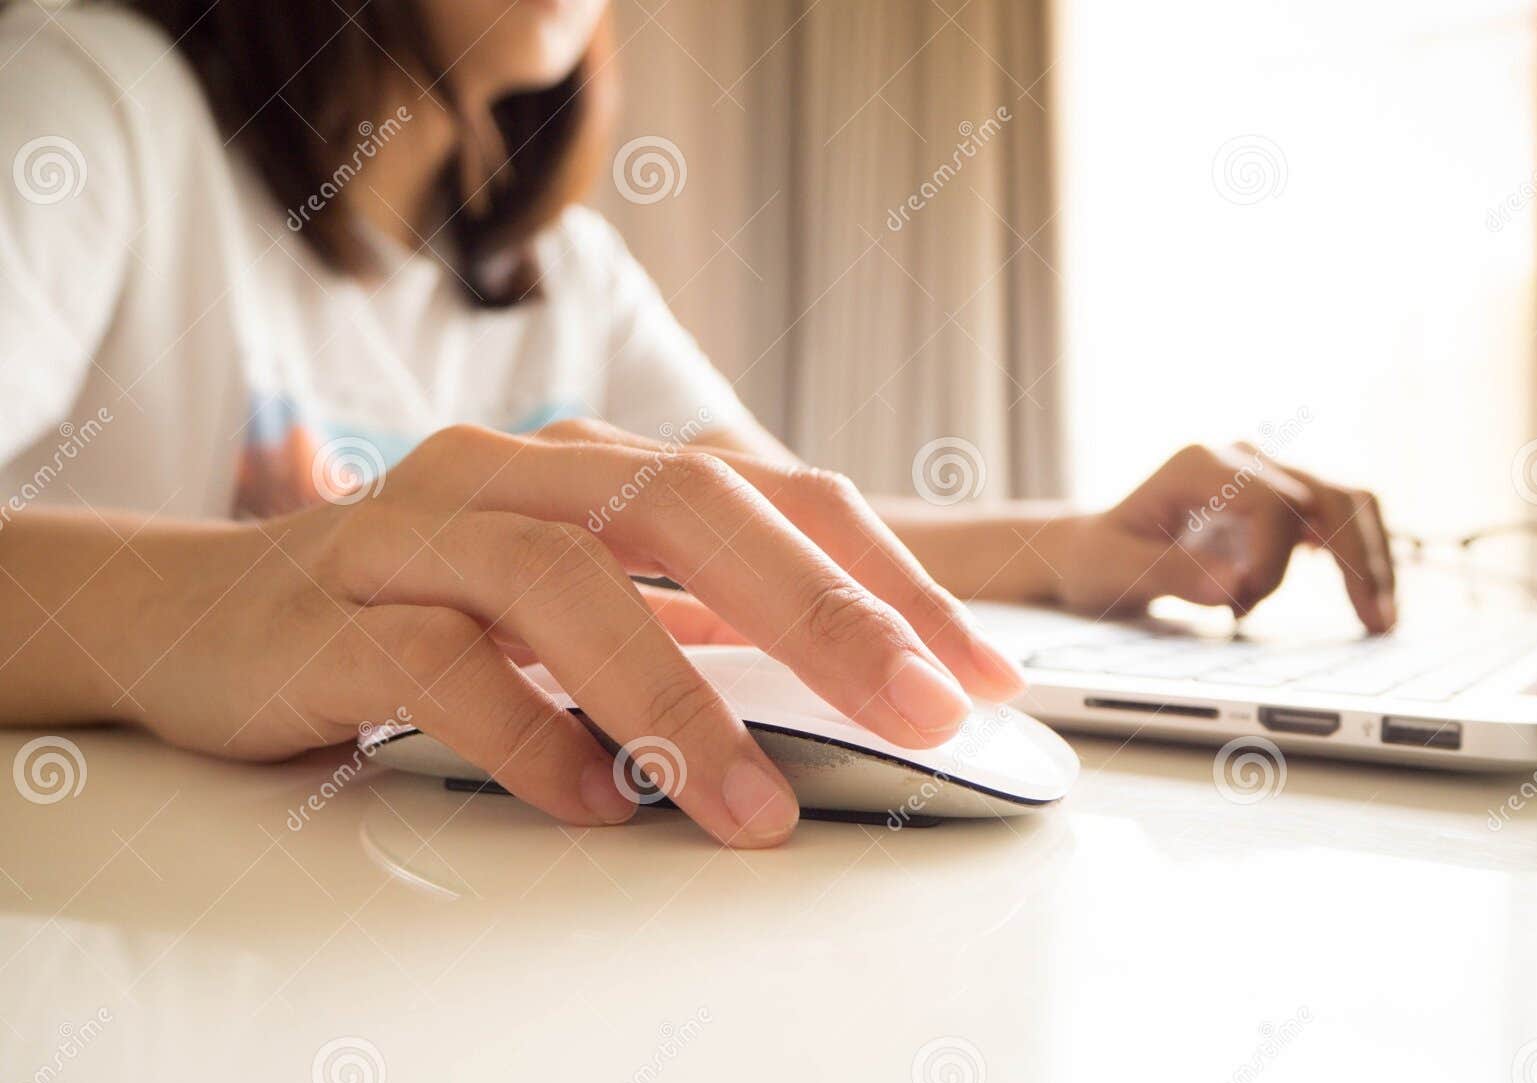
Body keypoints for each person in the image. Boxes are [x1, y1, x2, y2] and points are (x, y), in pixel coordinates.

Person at [0, 0, 1395, 847]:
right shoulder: (94, 98)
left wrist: (1079, 544)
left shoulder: (569, 275)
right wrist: (210, 608)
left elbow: (760, 524)